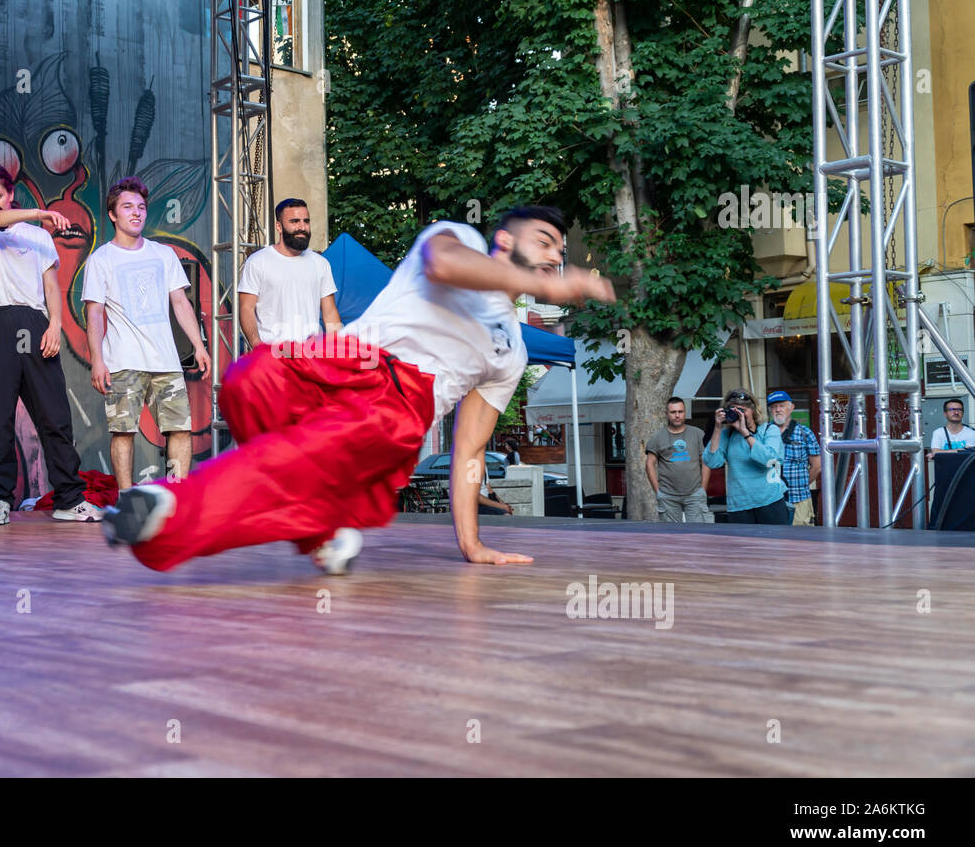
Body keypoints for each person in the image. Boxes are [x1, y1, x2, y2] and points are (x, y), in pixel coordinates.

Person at [101, 205, 614, 573]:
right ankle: (322, 525)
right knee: (249, 379)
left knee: (289, 460)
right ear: (504, 242)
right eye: (544, 242)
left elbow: (471, 450)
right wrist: (546, 287)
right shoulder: (459, 240)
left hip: (400, 403)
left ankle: (165, 518)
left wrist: (473, 542)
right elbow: (442, 264)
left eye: (560, 252)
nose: (555, 257)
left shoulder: (512, 350)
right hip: (343, 358)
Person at [0, 163, 104, 525]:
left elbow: (50, 287)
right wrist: (42, 212)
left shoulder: (38, 237)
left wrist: (55, 324)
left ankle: (69, 498)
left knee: (54, 415)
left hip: (33, 322)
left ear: (10, 193)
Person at [82, 177, 212, 490]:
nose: (136, 212)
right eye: (128, 207)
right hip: (123, 361)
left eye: (141, 207)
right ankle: (127, 499)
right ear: (113, 214)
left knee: (179, 429)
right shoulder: (101, 259)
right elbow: (94, 313)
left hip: (166, 361)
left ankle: (176, 495)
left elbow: (180, 303)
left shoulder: (163, 254)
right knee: (123, 431)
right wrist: (98, 360)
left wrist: (199, 345)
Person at [237, 198, 342, 346]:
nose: (302, 227)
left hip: (310, 355)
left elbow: (330, 313)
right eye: (294, 221)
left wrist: (338, 349)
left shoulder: (321, 263)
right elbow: (246, 308)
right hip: (272, 354)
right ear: (279, 226)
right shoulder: (257, 262)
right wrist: (256, 344)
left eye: (306, 221)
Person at [702, 388, 789, 525]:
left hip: (769, 501)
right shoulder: (727, 435)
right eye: (733, 410)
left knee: (775, 546)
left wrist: (745, 433)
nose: (738, 414)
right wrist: (717, 428)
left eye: (742, 410)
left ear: (753, 410)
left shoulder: (768, 430)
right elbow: (712, 462)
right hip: (739, 505)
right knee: (744, 546)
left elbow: (769, 460)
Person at [644, 396, 710, 523]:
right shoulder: (657, 437)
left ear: (685, 412)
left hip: (695, 494)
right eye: (673, 412)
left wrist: (703, 490)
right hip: (668, 496)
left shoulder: (697, 434)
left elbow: (706, 462)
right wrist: (658, 491)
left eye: (680, 412)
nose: (677, 415)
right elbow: (649, 464)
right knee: (671, 536)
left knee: (700, 534)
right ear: (667, 414)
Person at [766, 390, 820, 526]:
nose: (778, 410)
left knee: (802, 540)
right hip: (769, 499)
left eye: (782, 405)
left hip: (799, 498)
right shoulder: (763, 432)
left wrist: (801, 485)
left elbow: (817, 466)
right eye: (773, 407)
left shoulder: (805, 433)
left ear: (791, 408)